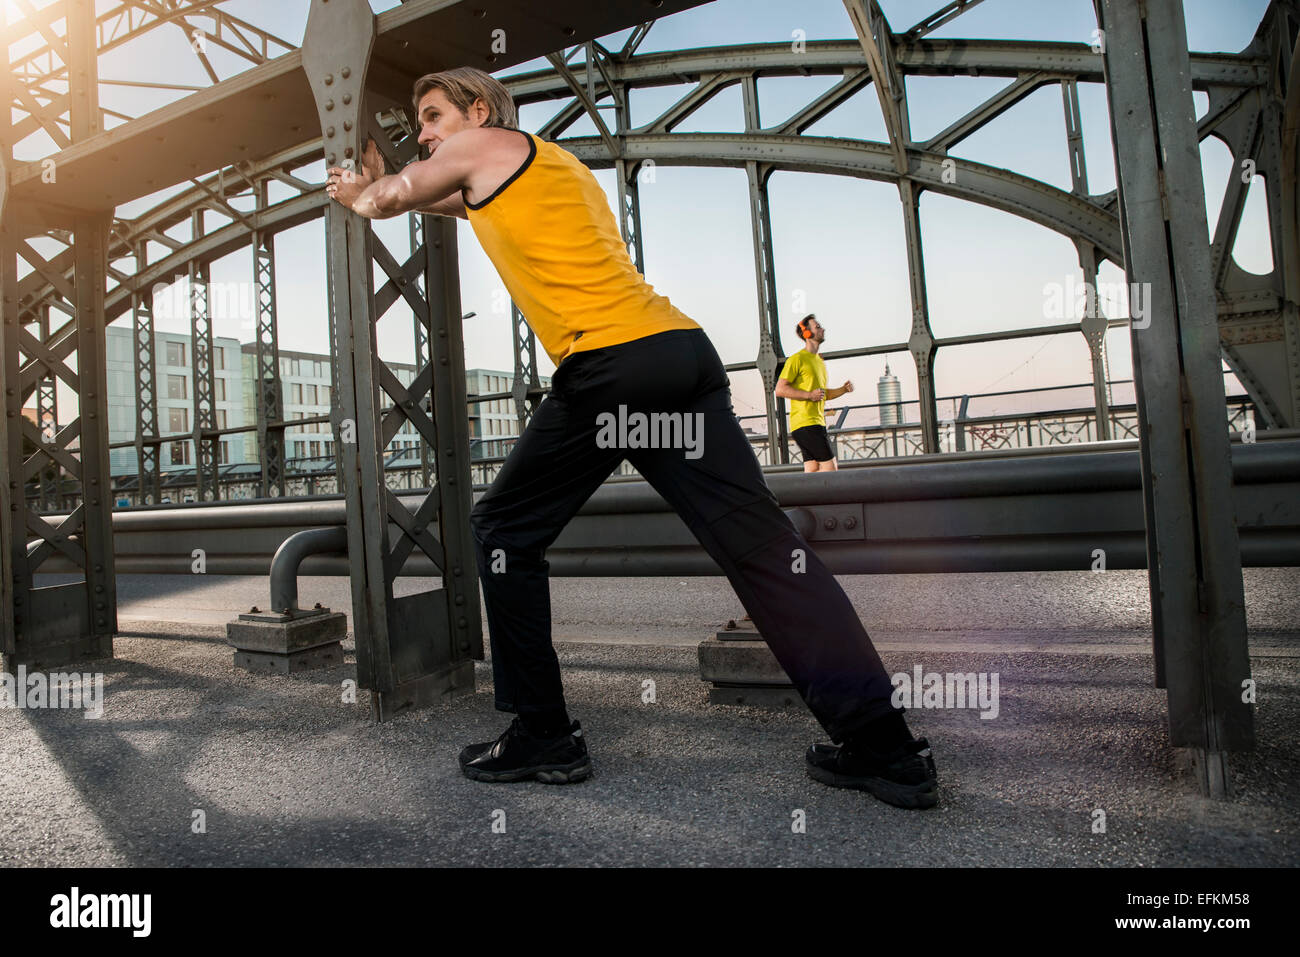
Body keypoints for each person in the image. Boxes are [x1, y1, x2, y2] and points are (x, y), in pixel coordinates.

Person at [326, 66, 938, 809]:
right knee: (765, 549)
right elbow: (439, 200)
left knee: (503, 527)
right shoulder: (547, 163)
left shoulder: (480, 143)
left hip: (611, 368)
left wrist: (364, 191)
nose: (421, 134)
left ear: (478, 111)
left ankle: (543, 736)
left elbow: (393, 195)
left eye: (430, 117)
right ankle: (887, 749)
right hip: (680, 356)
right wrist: (389, 188)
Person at [775, 315, 853, 472]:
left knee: (813, 470)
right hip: (806, 423)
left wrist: (843, 390)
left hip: (815, 423)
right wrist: (809, 395)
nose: (822, 329)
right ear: (807, 333)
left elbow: (822, 394)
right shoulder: (797, 359)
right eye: (817, 327)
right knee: (831, 470)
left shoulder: (819, 361)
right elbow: (780, 389)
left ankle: (802, 497)